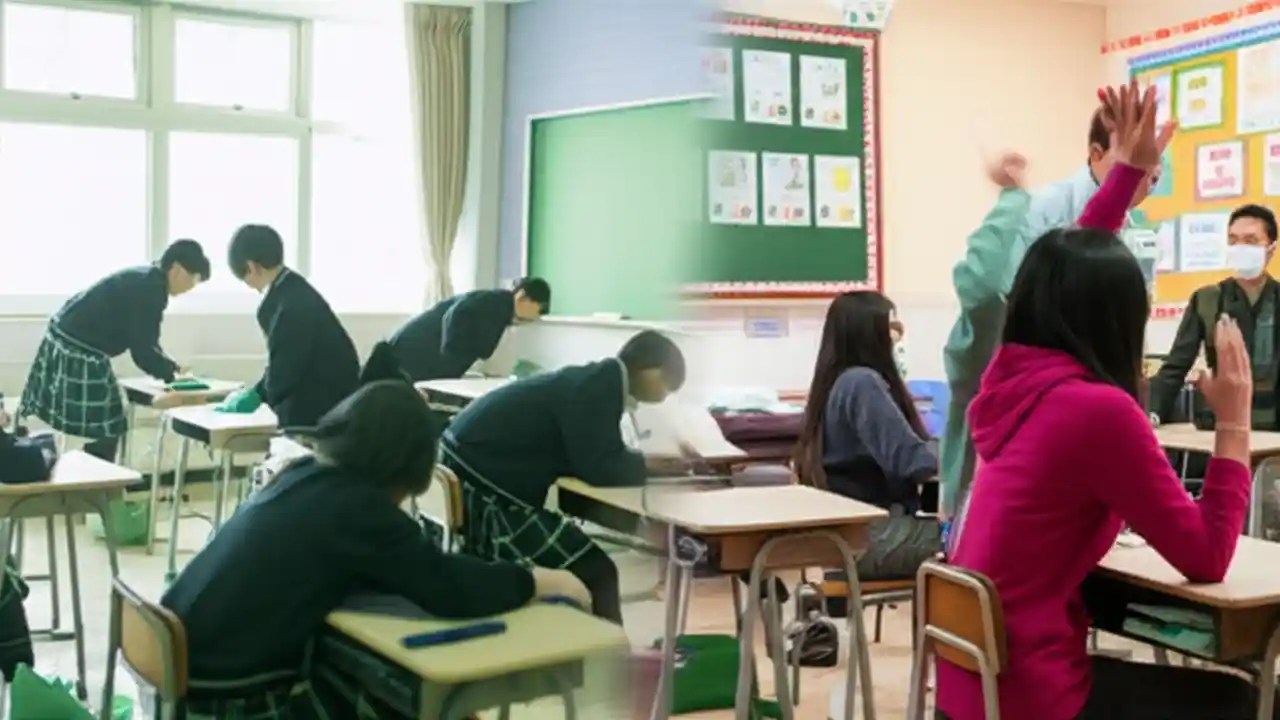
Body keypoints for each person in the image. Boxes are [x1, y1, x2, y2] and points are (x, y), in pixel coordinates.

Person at [937, 85, 1270, 720]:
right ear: (1122, 320)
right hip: (1031, 697)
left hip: (969, 687)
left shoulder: (1011, 377)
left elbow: (1067, 269)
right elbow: (1205, 556)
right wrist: (1232, 422)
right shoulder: (1094, 410)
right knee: (1238, 698)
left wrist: (1126, 174)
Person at [161, 380, 591, 718]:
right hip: (235, 700)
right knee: (408, 696)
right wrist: (539, 579)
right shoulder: (359, 509)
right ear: (407, 464)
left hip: (187, 674)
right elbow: (449, 586)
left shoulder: (305, 473)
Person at [938, 89, 1172, 518]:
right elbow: (1007, 295)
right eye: (1138, 169)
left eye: (1153, 176)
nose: (1146, 184)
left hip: (1084, 405)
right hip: (1030, 404)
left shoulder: (1134, 228)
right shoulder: (1047, 206)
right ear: (1096, 152)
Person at [439, 330, 687, 624]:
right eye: (666, 386)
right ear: (649, 368)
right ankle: (608, 657)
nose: (663, 397)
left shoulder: (593, 379)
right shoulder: (600, 387)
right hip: (488, 494)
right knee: (599, 571)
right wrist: (649, 467)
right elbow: (599, 467)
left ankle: (589, 644)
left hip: (464, 470)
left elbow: (586, 454)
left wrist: (642, 464)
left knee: (587, 559)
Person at [17, 239, 210, 461]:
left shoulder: (147, 279)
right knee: (110, 422)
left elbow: (146, 340)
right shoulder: (151, 289)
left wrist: (170, 367)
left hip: (65, 335)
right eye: (193, 279)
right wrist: (173, 377)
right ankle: (96, 478)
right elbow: (143, 350)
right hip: (77, 346)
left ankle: (96, 473)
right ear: (176, 270)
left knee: (108, 421)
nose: (192, 287)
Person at [794, 291, 940, 580]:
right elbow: (913, 460)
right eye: (890, 329)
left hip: (852, 537)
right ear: (868, 334)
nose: (897, 339)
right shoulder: (862, 382)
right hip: (871, 538)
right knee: (981, 538)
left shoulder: (837, 381)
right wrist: (964, 451)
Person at [217, 225, 360, 428]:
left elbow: (284, 371)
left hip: (322, 408)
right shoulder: (293, 290)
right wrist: (260, 390)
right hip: (332, 400)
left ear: (252, 267)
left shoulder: (289, 306)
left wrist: (258, 394)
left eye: (244, 277)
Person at [1151, 204, 1280, 429]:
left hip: (1273, 426)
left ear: (1271, 247)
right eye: (1233, 240)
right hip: (1220, 425)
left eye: (1250, 241)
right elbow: (1176, 367)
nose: (1240, 248)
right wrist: (1152, 412)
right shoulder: (1207, 299)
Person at [389, 278, 551, 382]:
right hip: (412, 354)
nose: (537, 316)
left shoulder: (499, 309)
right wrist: (450, 357)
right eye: (540, 309)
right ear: (523, 297)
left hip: (413, 355)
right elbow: (454, 315)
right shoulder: (492, 303)